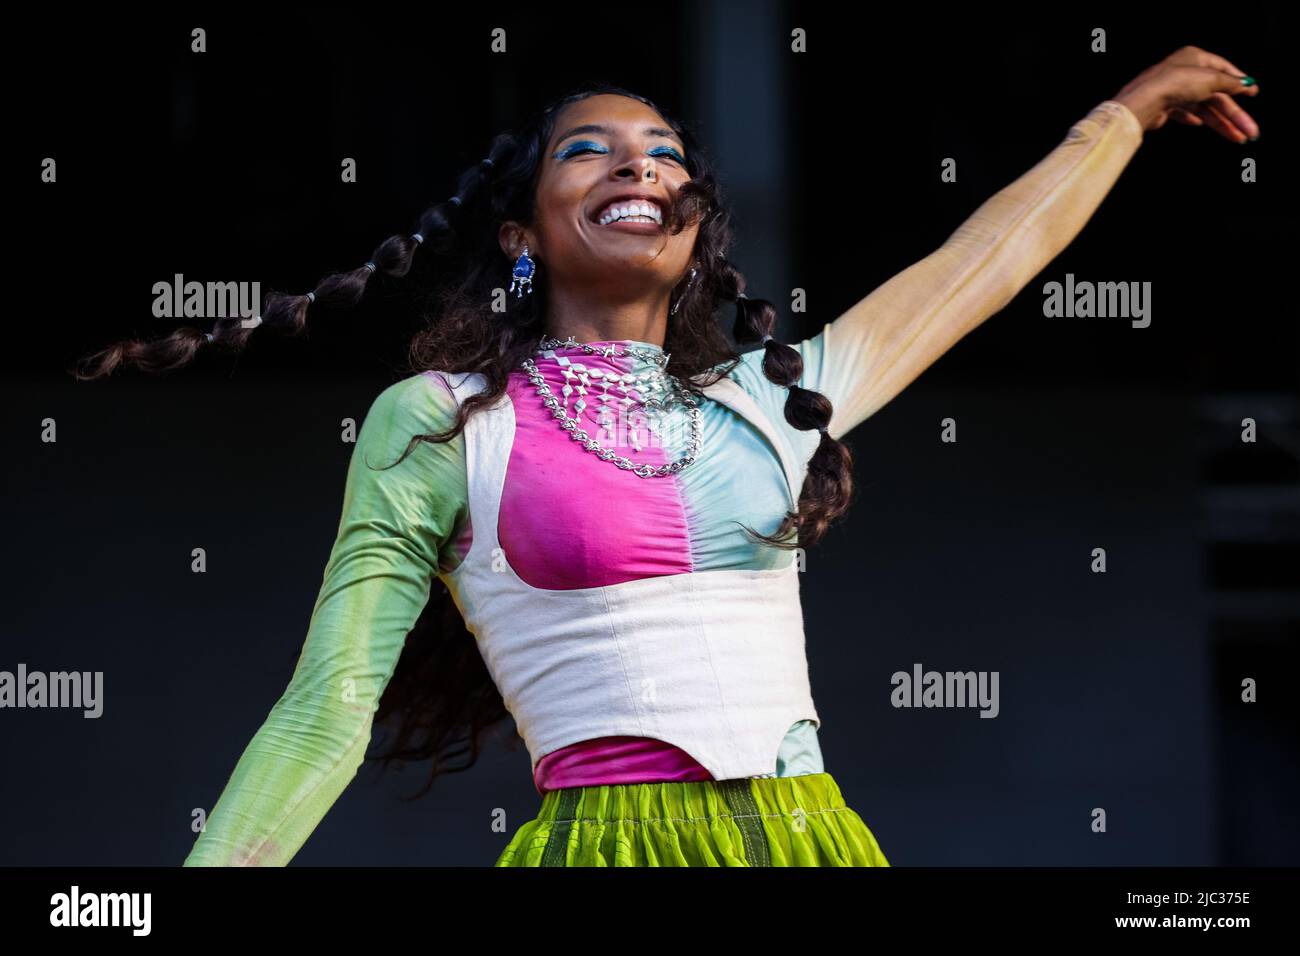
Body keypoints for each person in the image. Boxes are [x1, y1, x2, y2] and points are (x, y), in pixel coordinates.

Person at [76, 47, 1259, 866]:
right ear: (521, 236)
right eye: (585, 151)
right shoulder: (438, 423)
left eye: (661, 150)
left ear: (692, 223)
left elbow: (980, 263)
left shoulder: (773, 397)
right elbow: (325, 708)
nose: (635, 163)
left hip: (810, 839)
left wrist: (1127, 112)